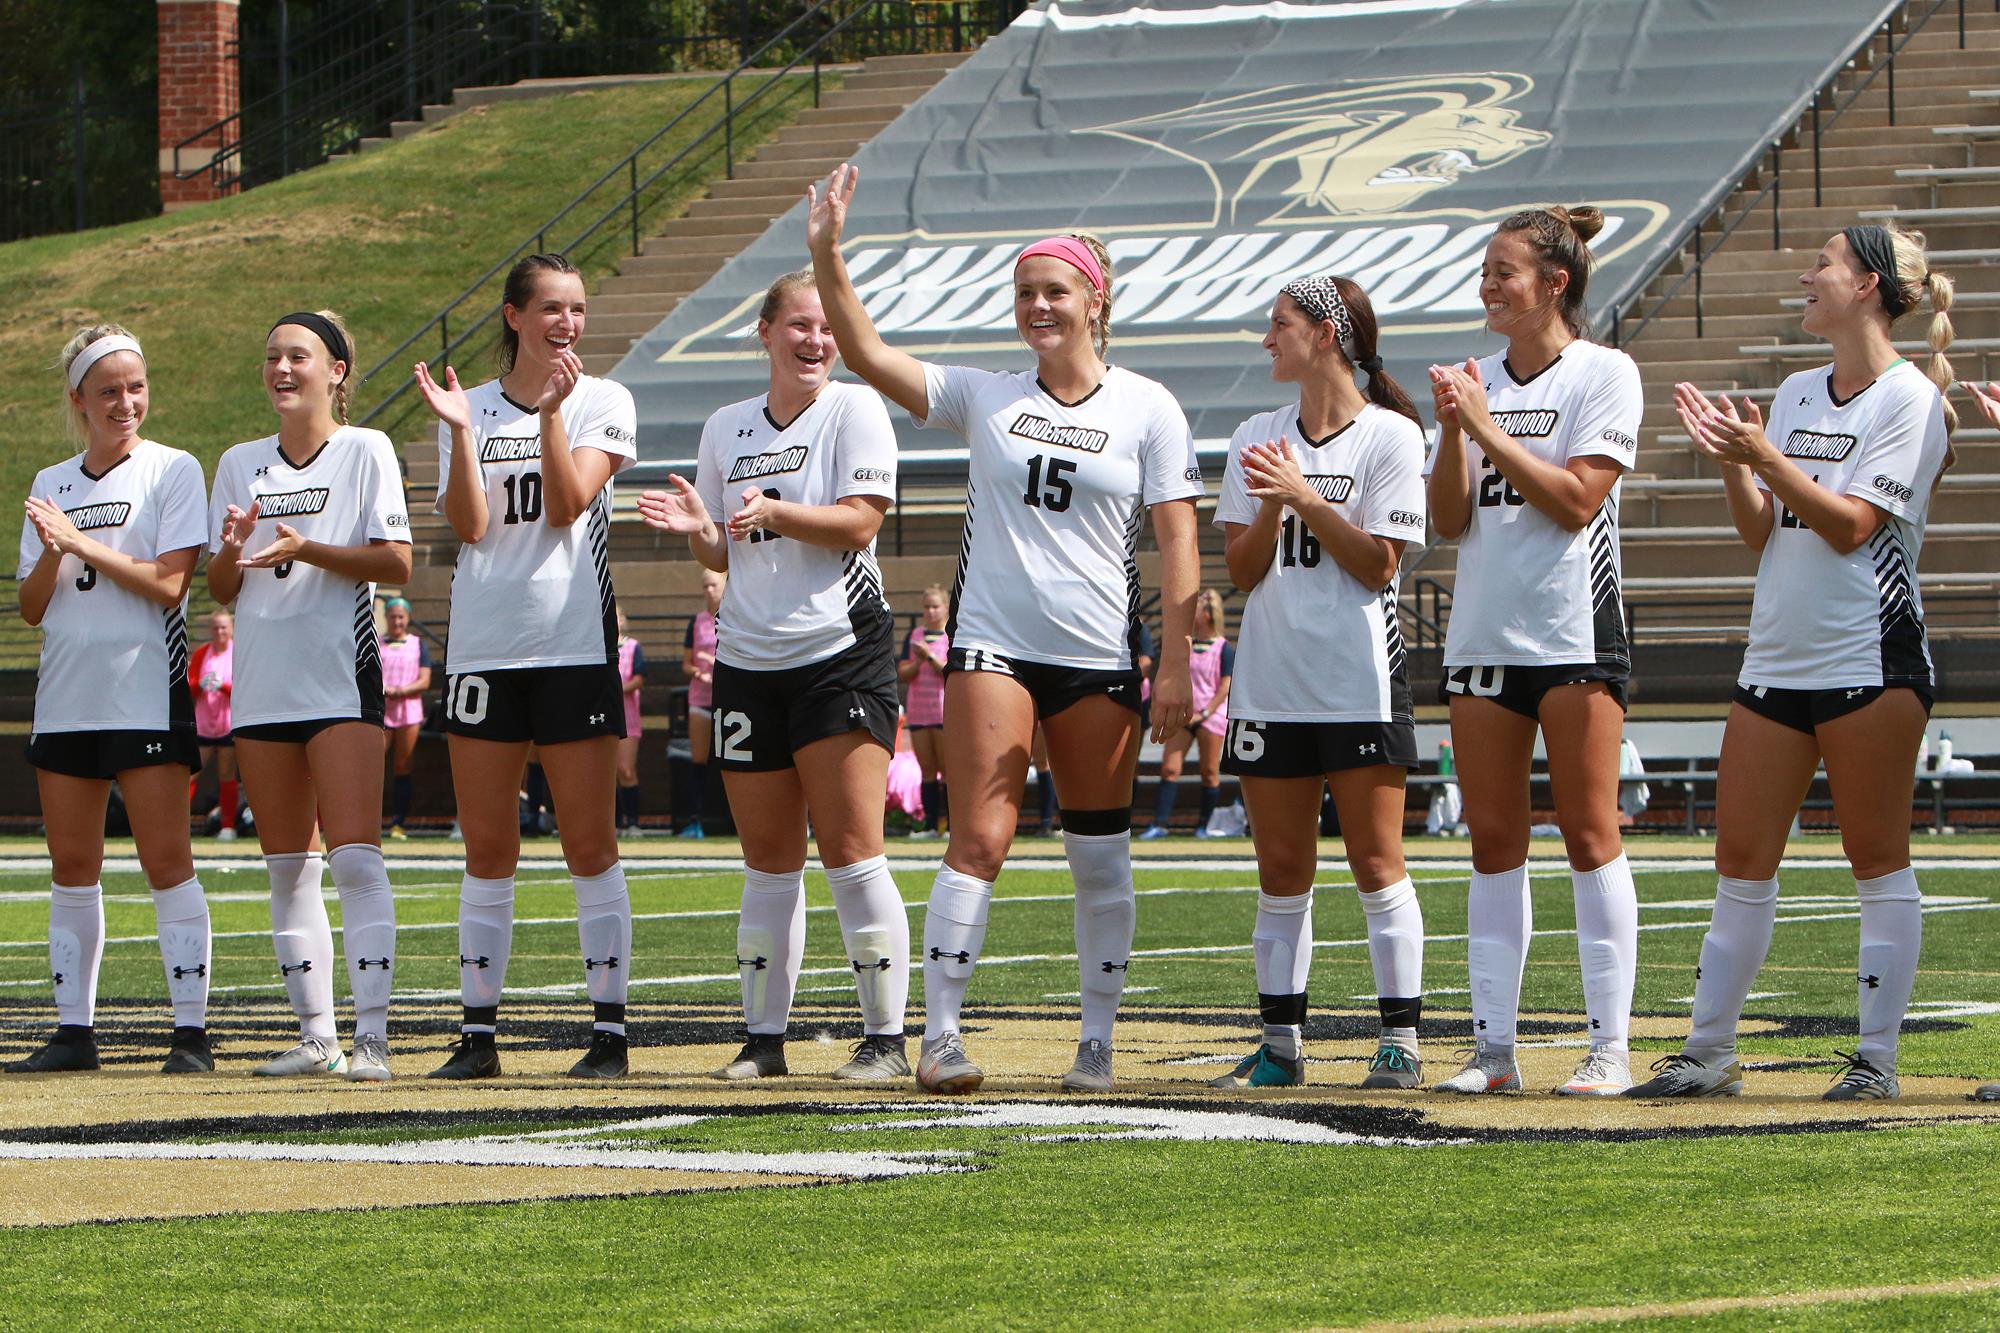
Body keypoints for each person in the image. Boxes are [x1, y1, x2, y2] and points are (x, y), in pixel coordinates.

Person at [808, 164, 1202, 1093]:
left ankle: (1096, 1041)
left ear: (1094, 301)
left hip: (1101, 657)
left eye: (1053, 290)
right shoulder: (985, 394)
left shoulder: (1150, 406)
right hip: (995, 646)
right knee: (978, 841)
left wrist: (1177, 665)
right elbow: (865, 351)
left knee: (1098, 855)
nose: (1036, 306)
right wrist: (827, 252)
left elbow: (1180, 540)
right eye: (1024, 292)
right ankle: (940, 1035)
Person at [1630, 223, 1955, 1101]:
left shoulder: (1911, 397)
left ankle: (1877, 1062)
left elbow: (1852, 527)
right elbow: (1763, 531)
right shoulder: (1800, 387)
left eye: (1827, 263)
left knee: (1875, 857)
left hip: (1870, 662)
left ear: (1871, 288)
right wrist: (1737, 468)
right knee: (1739, 861)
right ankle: (1707, 1053)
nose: (1809, 274)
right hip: (1777, 659)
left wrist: (1764, 453)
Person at [637, 267, 912, 1082]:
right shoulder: (727, 425)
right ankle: (763, 1041)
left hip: (839, 655)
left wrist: (777, 512)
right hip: (749, 660)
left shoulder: (855, 408)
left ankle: (886, 1040)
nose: (816, 340)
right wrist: (700, 529)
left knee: (854, 852)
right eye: (799, 325)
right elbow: (727, 547)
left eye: (826, 328)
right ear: (765, 333)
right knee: (766, 862)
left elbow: (861, 522)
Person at [1424, 206, 1644, 1097]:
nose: (1487, 286)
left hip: (1575, 632)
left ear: (1555, 283)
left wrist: (1481, 426)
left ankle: (1609, 1046)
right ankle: (1493, 1049)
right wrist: (1451, 427)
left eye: (1504, 271)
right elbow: (1448, 520)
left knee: (1591, 834)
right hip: (1483, 634)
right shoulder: (1477, 383)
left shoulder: (1606, 372)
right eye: (1484, 270)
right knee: (1492, 843)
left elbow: (1575, 500)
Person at [414, 253, 637, 1082]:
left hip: (572, 644)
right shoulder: (462, 406)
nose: (567, 323)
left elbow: (566, 502)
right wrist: (466, 429)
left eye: (577, 309)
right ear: (514, 316)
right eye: (550, 308)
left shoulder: (604, 399)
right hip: (483, 648)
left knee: (590, 841)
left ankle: (609, 1033)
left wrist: (550, 414)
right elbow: (471, 526)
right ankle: (478, 1036)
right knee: (487, 846)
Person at [1207, 275, 1430, 1090]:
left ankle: (1400, 1041)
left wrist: (1303, 494)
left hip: (1360, 681)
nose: (1268, 338)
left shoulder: (1393, 438)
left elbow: (1378, 565)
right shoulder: (1254, 434)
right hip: (1270, 683)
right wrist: (1273, 507)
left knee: (1377, 863)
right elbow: (1240, 569)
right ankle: (1280, 1046)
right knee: (1281, 873)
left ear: (1327, 335)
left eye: (1281, 324)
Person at [6, 324, 214, 1075]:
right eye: (109, 391)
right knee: (71, 865)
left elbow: (169, 584)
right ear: (79, 401)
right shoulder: (50, 480)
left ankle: (190, 1033)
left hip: (144, 694)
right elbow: (33, 606)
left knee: (166, 859)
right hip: (67, 695)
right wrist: (56, 547)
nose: (126, 402)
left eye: (136, 387)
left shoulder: (172, 469)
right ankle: (73, 1031)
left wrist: (82, 542)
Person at [210, 310, 412, 1082]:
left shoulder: (366, 449)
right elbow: (221, 585)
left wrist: (306, 547)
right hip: (264, 684)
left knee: (356, 856)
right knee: (288, 865)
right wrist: (234, 546)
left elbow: (395, 562)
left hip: (339, 675)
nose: (282, 369)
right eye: (272, 358)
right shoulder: (238, 461)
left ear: (336, 371)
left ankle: (372, 1038)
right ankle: (317, 1034)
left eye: (298, 356)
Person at [1141, 588, 1232, 839]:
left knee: (1209, 771)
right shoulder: (1186, 644)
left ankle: (1203, 825)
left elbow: (1225, 685)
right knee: (1170, 768)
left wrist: (1205, 712)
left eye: (1200, 606)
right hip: (1183, 714)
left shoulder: (1223, 648)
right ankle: (1160, 823)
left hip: (1209, 716)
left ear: (1209, 614)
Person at [899, 584, 950, 837]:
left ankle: (951, 826)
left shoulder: (952, 636)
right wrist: (918, 659)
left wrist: (930, 656)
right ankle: (930, 825)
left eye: (935, 606)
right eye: (927, 607)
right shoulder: (915, 636)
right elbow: (903, 672)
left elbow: (949, 673)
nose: (930, 611)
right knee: (927, 769)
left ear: (946, 608)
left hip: (943, 712)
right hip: (918, 712)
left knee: (948, 770)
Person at [379, 595, 432, 839]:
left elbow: (424, 679)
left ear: (407, 619)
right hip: (382, 711)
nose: (396, 621)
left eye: (400, 617)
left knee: (403, 766)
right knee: (374, 766)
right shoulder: (378, 642)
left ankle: (398, 821)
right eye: (392, 617)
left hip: (409, 711)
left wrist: (400, 691)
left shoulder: (418, 644)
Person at [679, 568, 722, 837]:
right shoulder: (696, 623)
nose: (709, 591)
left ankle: (728, 820)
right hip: (700, 697)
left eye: (714, 585)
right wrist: (698, 670)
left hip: (727, 696)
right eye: (705, 586)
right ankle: (696, 819)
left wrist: (716, 665)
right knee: (698, 760)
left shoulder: (735, 617)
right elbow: (686, 662)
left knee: (730, 760)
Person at [189, 610, 240, 840]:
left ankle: (228, 825)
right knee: (191, 775)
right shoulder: (202, 653)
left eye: (223, 627)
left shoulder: (237, 652)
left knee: (226, 775)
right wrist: (199, 685)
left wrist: (225, 687)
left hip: (228, 725)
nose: (219, 632)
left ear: (231, 629)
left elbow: (245, 687)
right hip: (204, 725)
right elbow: (189, 685)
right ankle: (179, 824)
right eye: (216, 627)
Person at [615, 609, 646, 833]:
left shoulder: (633, 647)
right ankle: (614, 823)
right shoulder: (598, 646)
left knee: (626, 770)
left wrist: (615, 691)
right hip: (605, 715)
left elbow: (638, 679)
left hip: (628, 716)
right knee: (607, 773)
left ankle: (633, 822)